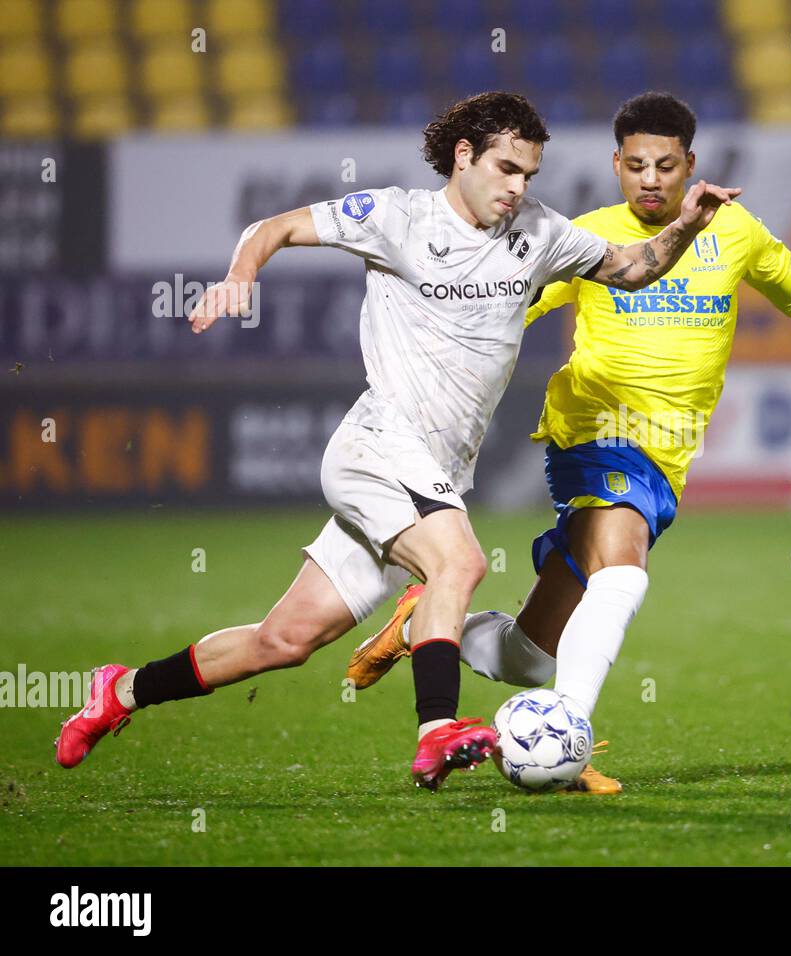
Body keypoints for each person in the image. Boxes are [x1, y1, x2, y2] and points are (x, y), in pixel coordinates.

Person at [55, 91, 740, 793]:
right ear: (464, 156)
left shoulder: (539, 231)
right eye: (506, 169)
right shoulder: (395, 217)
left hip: (432, 474)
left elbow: (631, 267)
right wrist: (239, 277)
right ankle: (436, 729)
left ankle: (122, 691)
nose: (517, 187)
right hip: (381, 447)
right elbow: (276, 226)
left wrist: (685, 226)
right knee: (459, 562)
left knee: (284, 640)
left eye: (528, 175)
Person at [347, 92, 791, 794]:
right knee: (623, 571)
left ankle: (421, 624)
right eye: (635, 165)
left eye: (664, 166)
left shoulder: (734, 232)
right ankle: (566, 737)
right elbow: (510, 302)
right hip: (597, 432)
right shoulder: (588, 238)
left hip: (668, 458)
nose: (649, 179)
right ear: (616, 164)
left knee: (528, 656)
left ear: (690, 165)